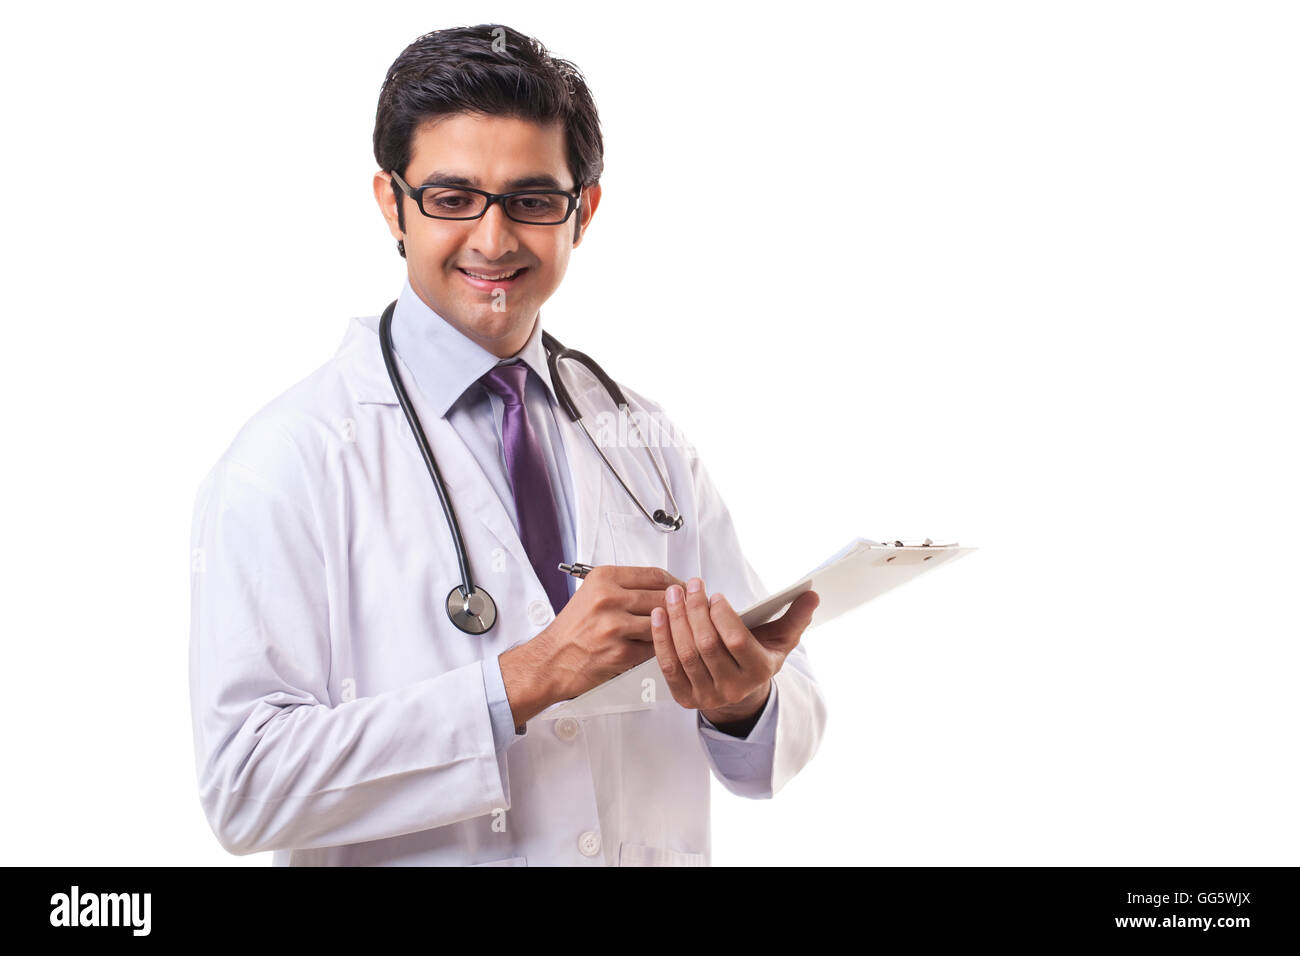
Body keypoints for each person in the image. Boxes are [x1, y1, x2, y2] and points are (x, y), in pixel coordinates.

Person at [188, 23, 826, 866]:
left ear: (582, 211)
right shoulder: (292, 458)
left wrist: (743, 699)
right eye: (452, 199)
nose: (493, 241)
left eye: (531, 200)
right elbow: (245, 787)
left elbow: (784, 724)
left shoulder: (642, 439)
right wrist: (527, 679)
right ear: (393, 205)